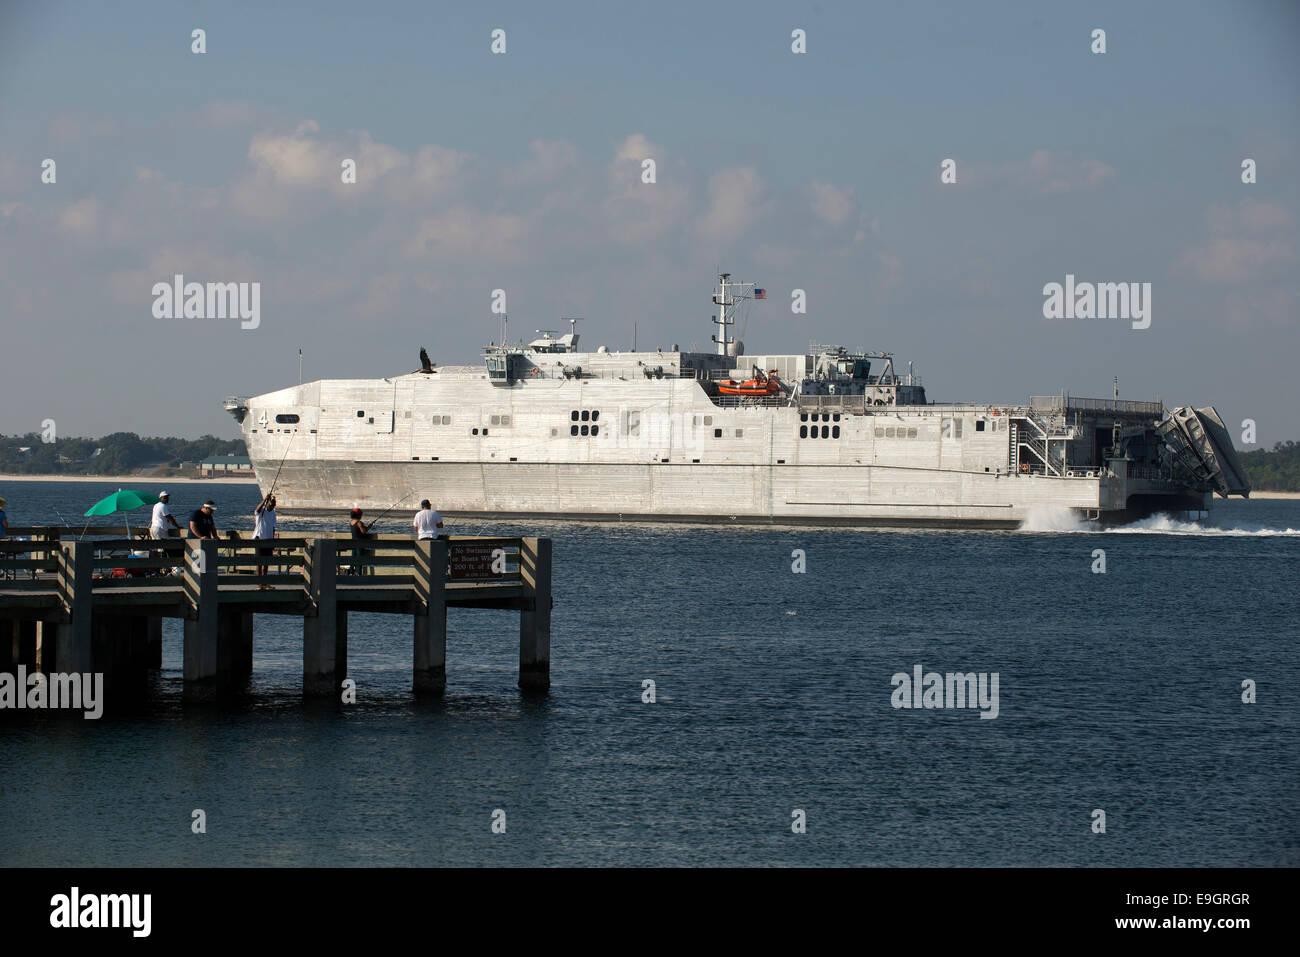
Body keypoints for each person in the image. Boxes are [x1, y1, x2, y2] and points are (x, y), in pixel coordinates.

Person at [253, 494, 277, 587]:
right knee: (259, 562)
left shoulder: (273, 513)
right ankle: (259, 582)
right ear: (267, 505)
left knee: (267, 562)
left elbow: (273, 527)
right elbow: (257, 510)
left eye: (273, 505)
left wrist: (273, 539)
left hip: (269, 539)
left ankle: (265, 582)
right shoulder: (262, 511)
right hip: (259, 538)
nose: (271, 507)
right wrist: (264, 500)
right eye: (270, 505)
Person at [349, 506, 374, 575]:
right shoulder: (359, 522)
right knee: (360, 558)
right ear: (358, 515)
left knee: (353, 557)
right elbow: (363, 531)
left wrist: (366, 527)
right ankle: (359, 573)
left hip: (353, 542)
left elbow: (357, 531)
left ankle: (351, 572)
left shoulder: (351, 522)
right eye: (361, 514)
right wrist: (369, 527)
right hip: (360, 542)